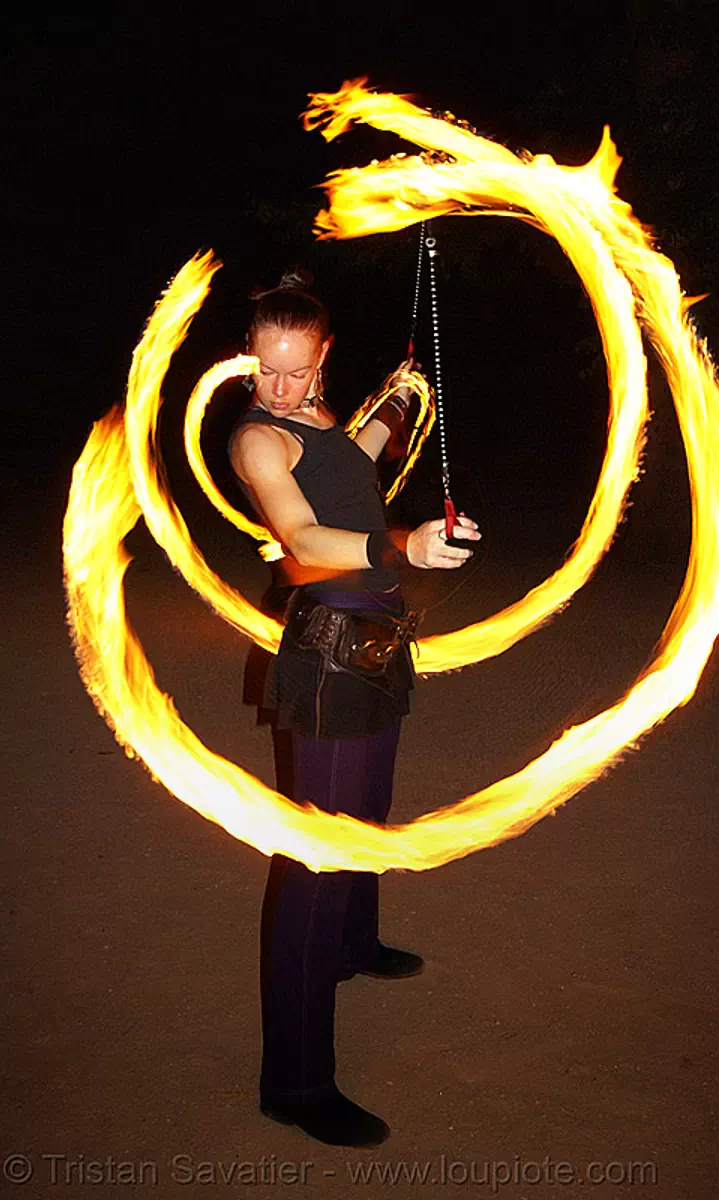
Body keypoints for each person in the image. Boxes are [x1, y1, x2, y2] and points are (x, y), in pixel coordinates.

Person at [228, 270, 481, 1148]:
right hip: (330, 649)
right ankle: (293, 1083)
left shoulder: (321, 420)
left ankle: (353, 947)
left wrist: (404, 400)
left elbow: (359, 455)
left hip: (377, 636)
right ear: (249, 360)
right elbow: (300, 538)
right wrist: (399, 542)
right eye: (266, 369)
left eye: (296, 370)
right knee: (316, 855)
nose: (280, 386)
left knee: (366, 815)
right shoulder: (257, 439)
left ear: (322, 357)